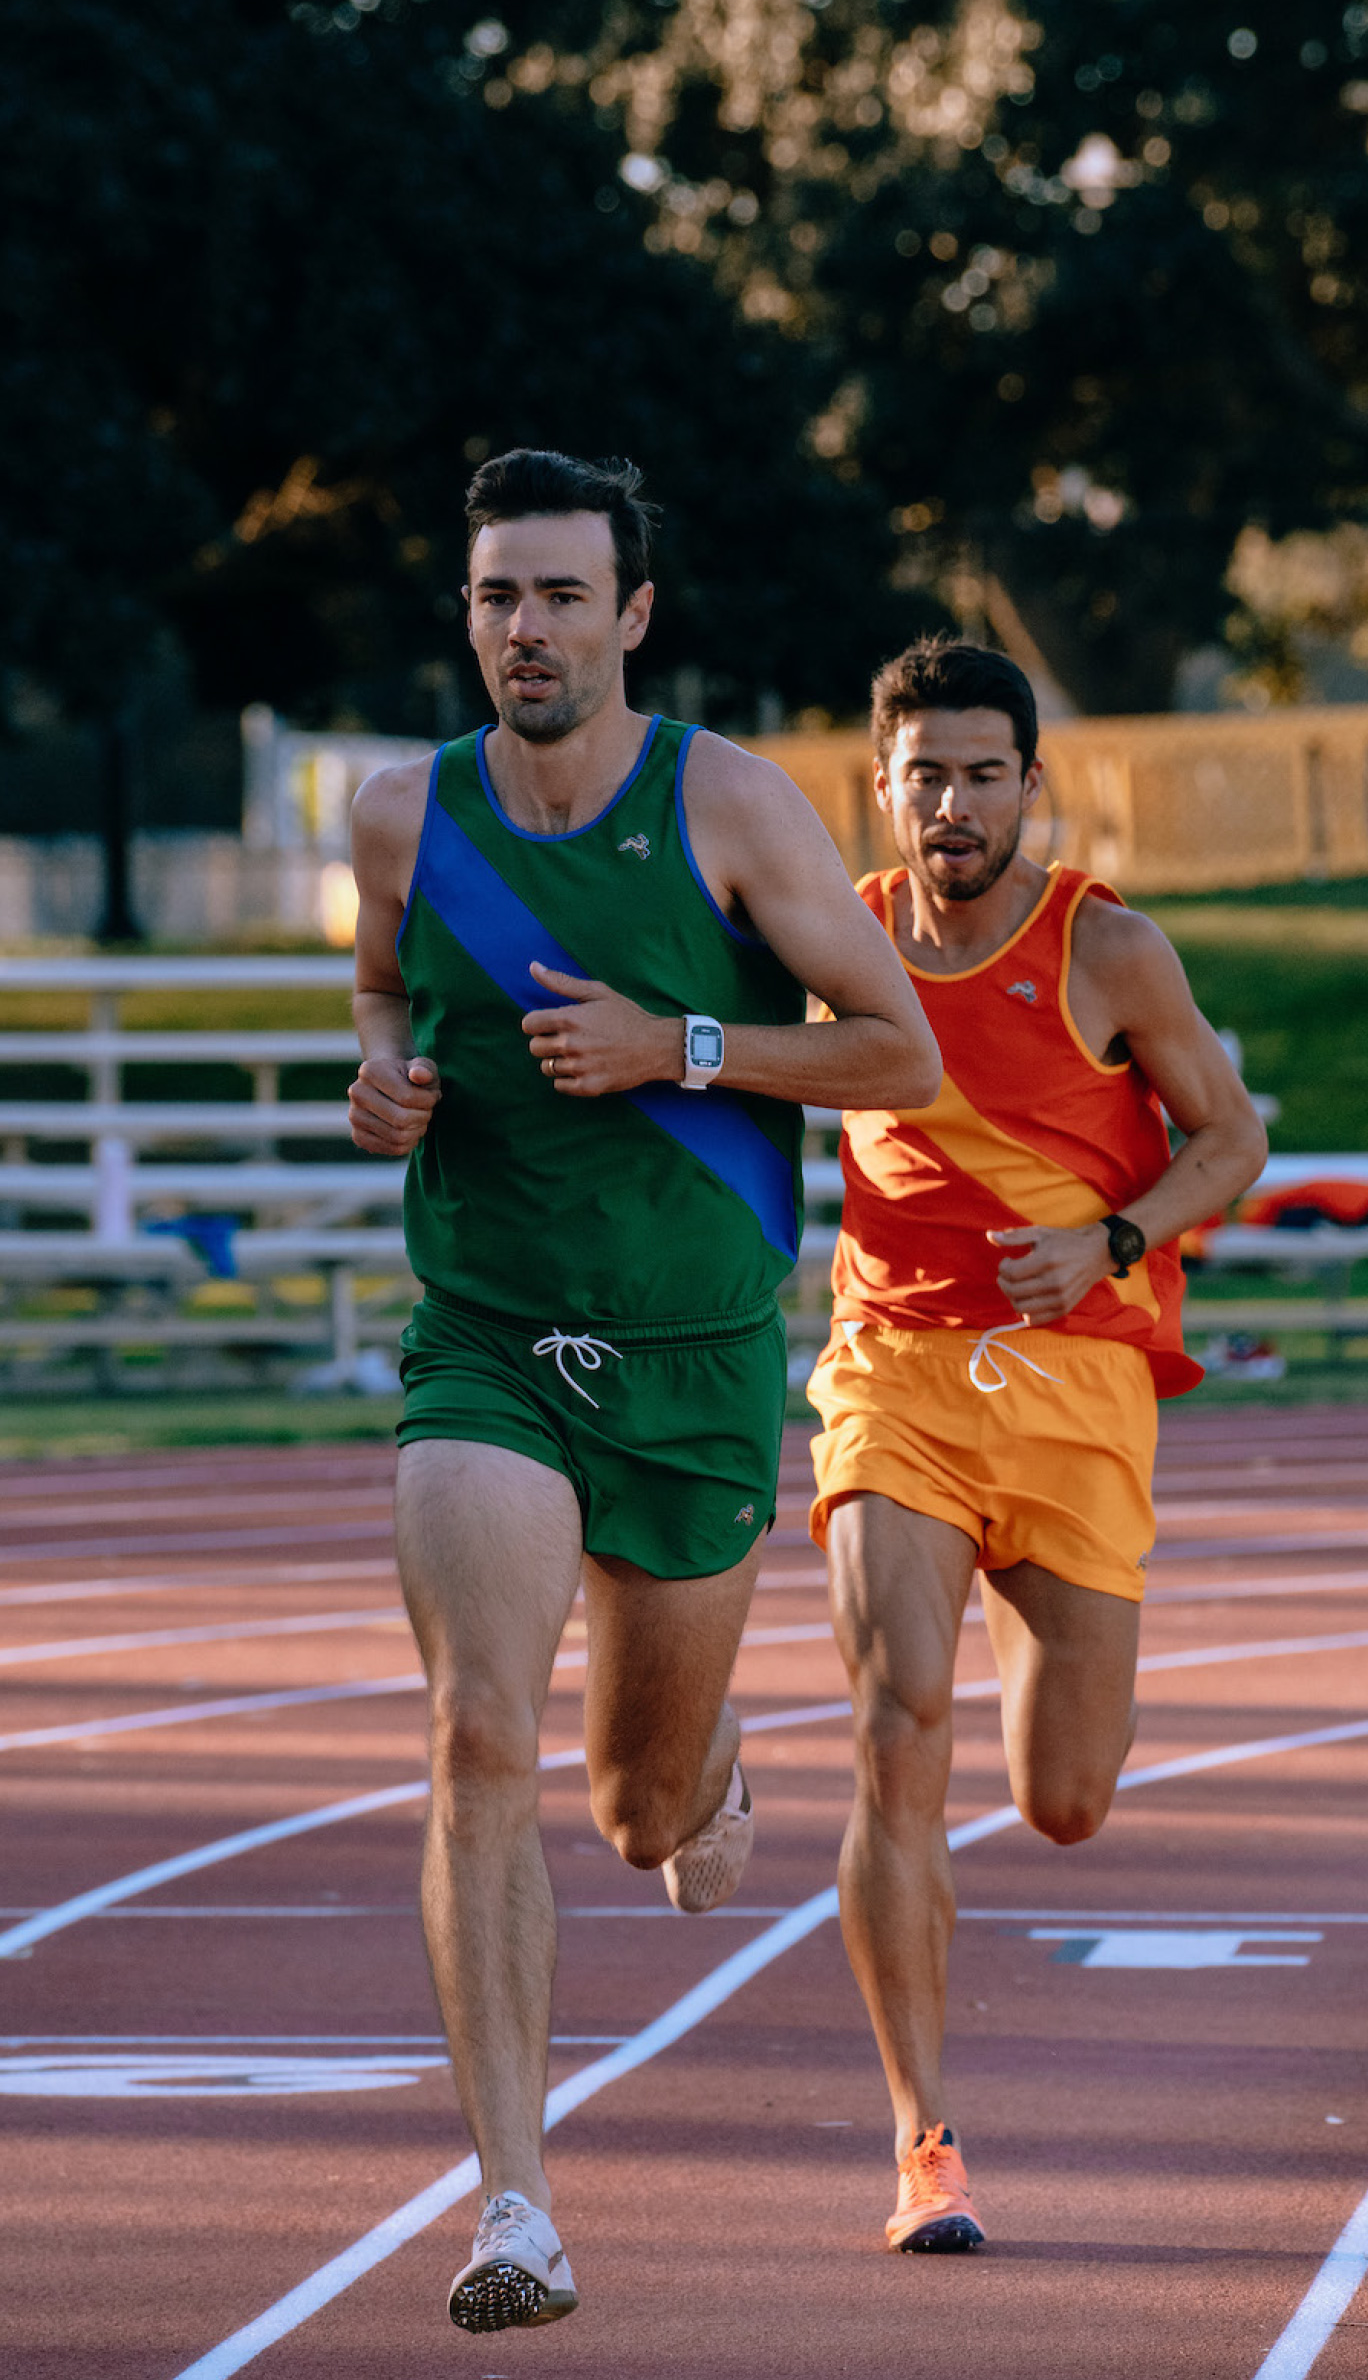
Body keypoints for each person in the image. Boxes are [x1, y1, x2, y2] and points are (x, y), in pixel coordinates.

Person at [346, 450, 939, 2332]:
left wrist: (676, 1045)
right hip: (489, 1335)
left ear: (633, 618)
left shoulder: (734, 807)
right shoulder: (396, 813)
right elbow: (378, 994)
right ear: (469, 614)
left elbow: (900, 1057)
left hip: (689, 1359)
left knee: (636, 1807)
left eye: (561, 596)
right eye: (497, 595)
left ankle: (707, 1763)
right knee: (473, 1742)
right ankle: (516, 2204)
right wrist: (384, 1083)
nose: (526, 628)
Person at [806, 637, 1267, 2254]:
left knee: (1064, 1799)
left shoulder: (1111, 950)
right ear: (883, 785)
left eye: (981, 772)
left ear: (1032, 785)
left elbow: (1234, 1136)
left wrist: (1121, 1242)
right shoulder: (837, 933)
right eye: (922, 773)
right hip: (894, 1375)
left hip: (1077, 1389)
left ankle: (1022, 1608)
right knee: (891, 1720)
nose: (951, 802)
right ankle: (923, 2140)